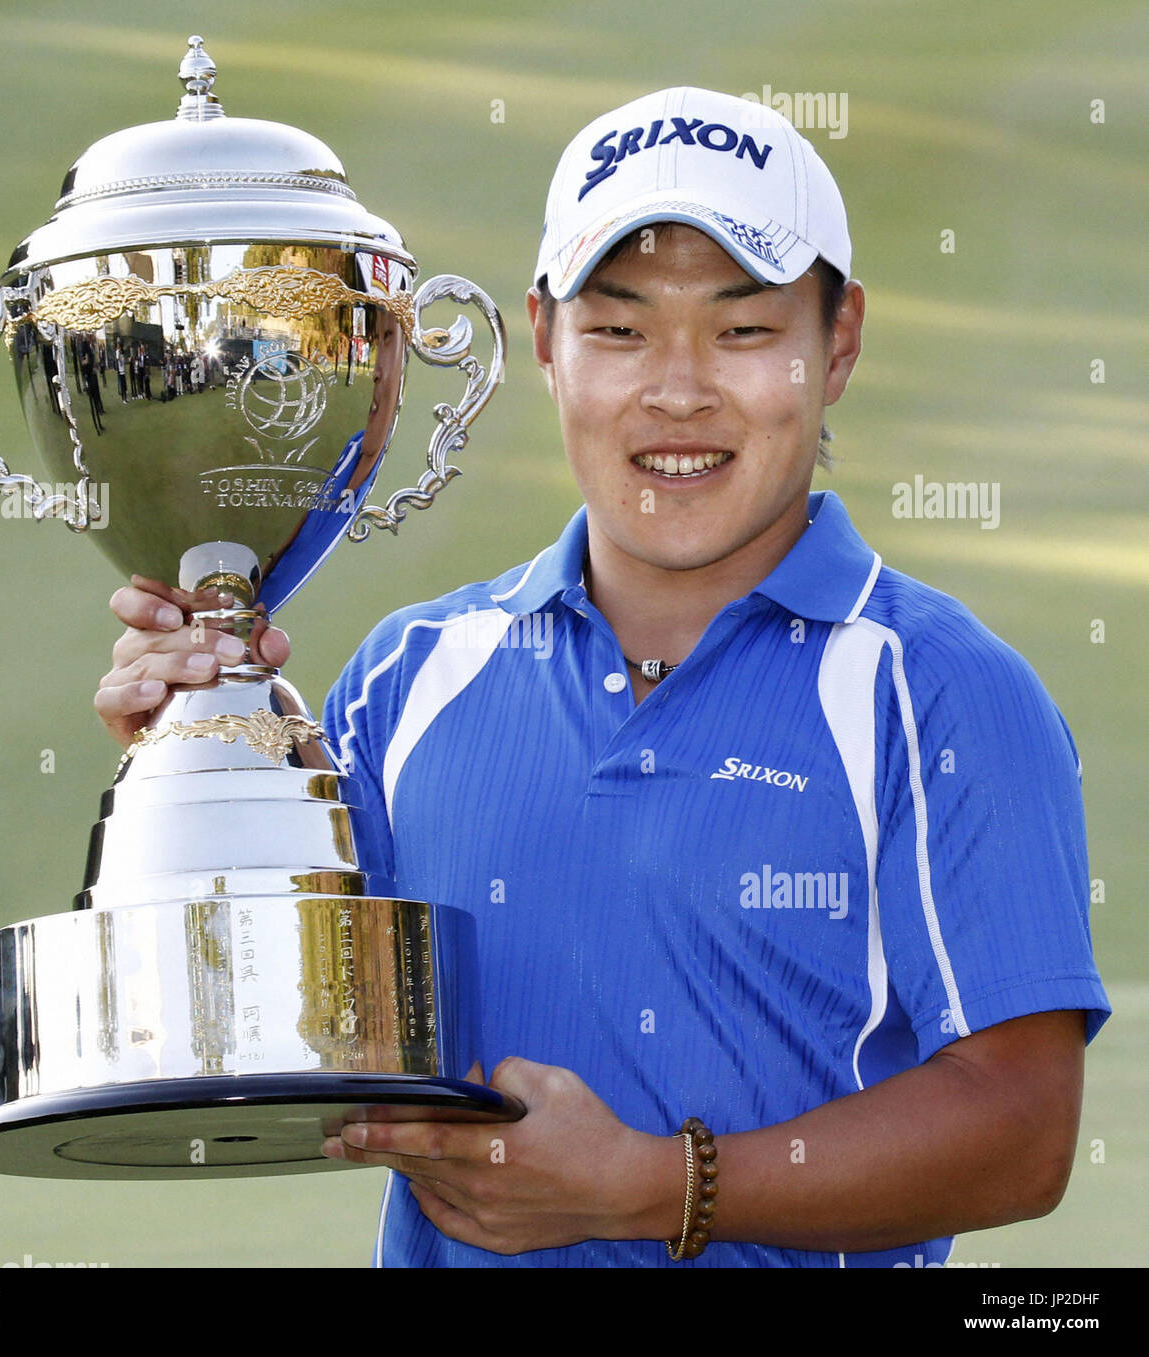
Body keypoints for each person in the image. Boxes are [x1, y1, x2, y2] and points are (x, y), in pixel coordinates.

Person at [94, 87, 1109, 1267]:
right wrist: (208, 769)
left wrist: (652, 1187)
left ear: (837, 344)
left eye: (742, 331)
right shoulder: (406, 681)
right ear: (543, 341)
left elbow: (1023, 1131)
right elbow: (295, 1032)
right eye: (619, 330)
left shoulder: (935, 690)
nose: (677, 391)